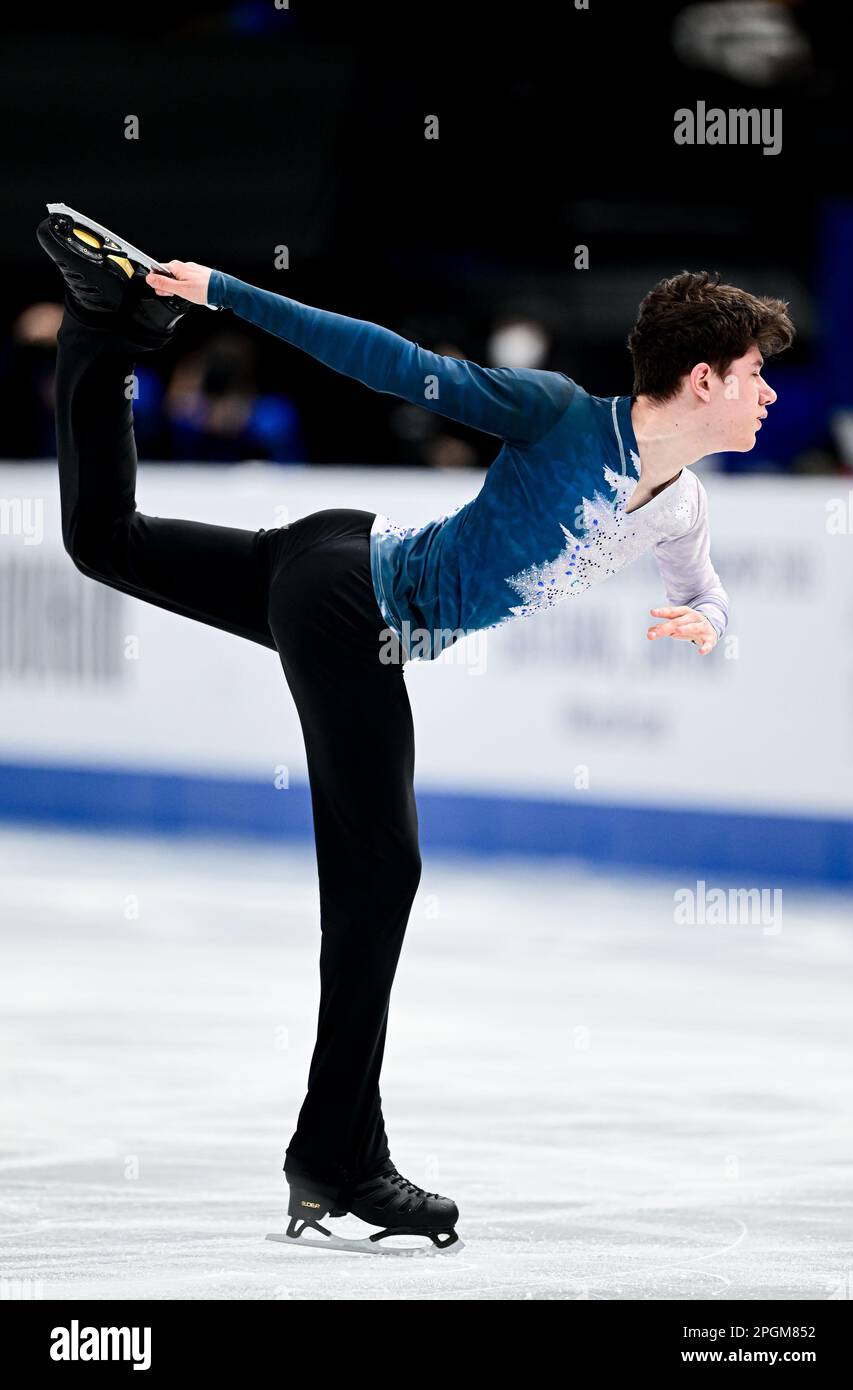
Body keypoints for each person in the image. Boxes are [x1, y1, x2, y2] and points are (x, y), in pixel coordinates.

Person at [37, 208, 793, 1255]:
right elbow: (391, 363)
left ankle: (101, 331)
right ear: (701, 378)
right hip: (356, 609)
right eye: (754, 372)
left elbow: (700, 586)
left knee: (101, 541)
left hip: (331, 569)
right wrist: (216, 290)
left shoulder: (678, 506)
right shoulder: (559, 415)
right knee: (380, 872)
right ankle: (339, 1156)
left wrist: (701, 618)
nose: (768, 393)